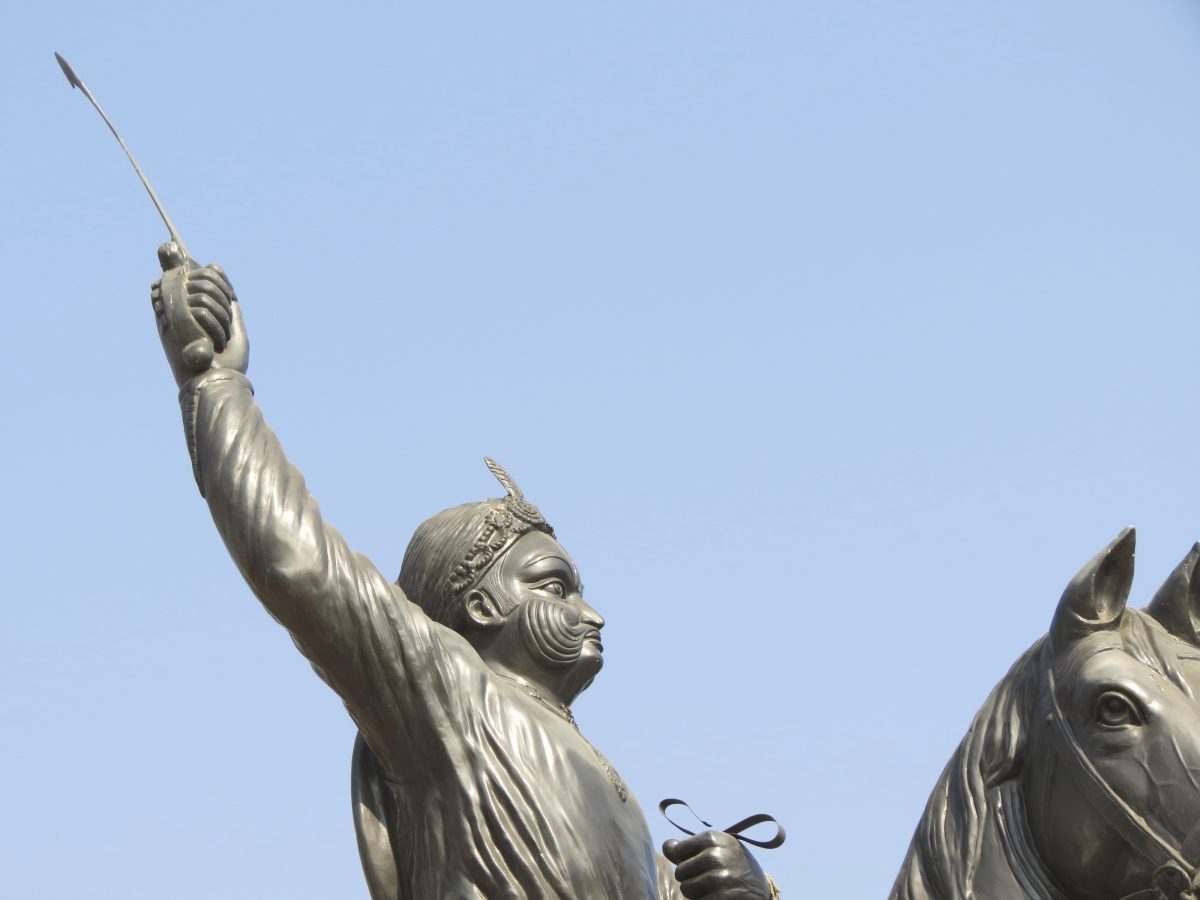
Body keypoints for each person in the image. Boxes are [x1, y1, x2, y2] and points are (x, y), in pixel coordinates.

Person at [149, 244, 780, 899]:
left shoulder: (624, 809)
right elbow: (299, 563)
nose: (590, 614)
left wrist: (746, 891)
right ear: (481, 606)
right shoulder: (449, 695)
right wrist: (214, 382)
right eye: (556, 589)